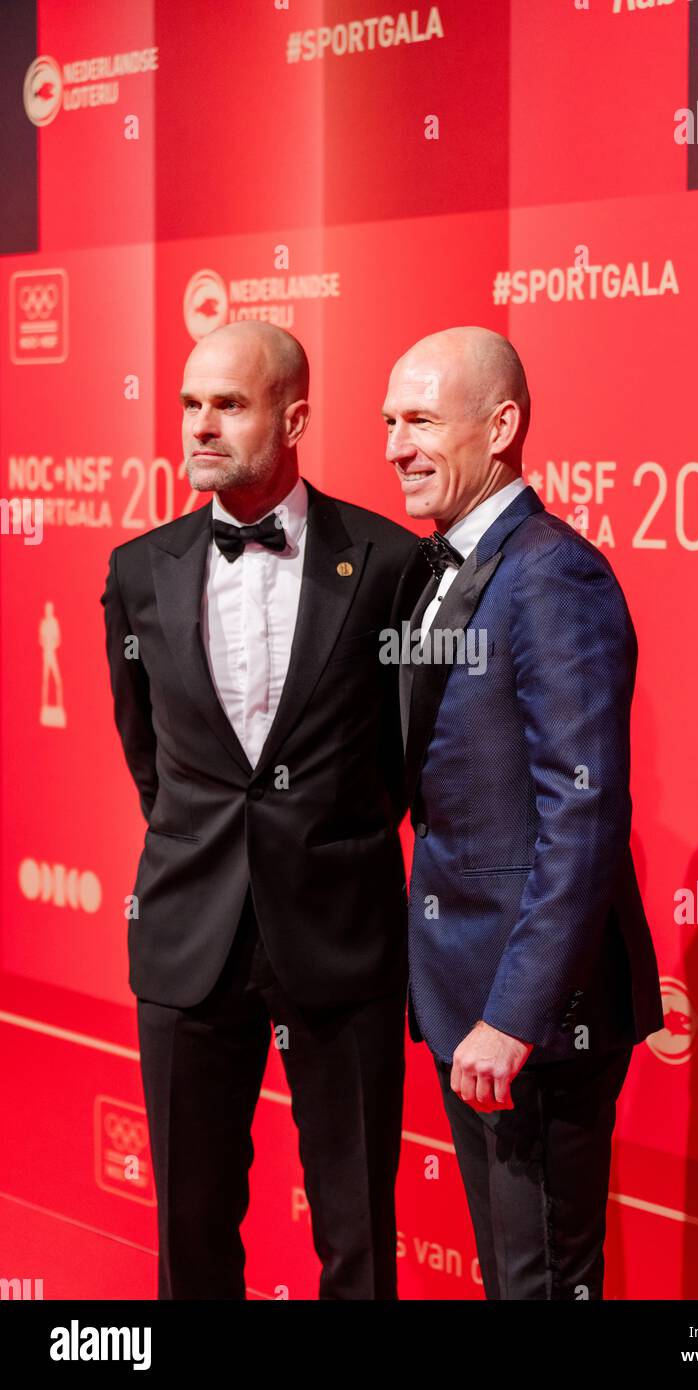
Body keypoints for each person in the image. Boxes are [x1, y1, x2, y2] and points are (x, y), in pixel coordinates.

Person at [101, 320, 428, 1299]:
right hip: (187, 937)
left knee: (358, 1236)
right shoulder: (137, 570)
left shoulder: (386, 561)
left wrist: (323, 837)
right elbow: (148, 756)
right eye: (191, 403)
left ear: (293, 417)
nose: (201, 424)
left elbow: (402, 754)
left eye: (228, 405)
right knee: (189, 1236)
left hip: (339, 932)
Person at [383, 326, 664, 1300]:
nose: (395, 447)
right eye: (389, 422)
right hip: (466, 988)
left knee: (539, 1276)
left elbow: (580, 814)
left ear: (500, 425)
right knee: (518, 1275)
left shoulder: (550, 574)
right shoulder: (440, 570)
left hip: (533, 1009)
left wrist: (514, 1014)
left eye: (420, 420)